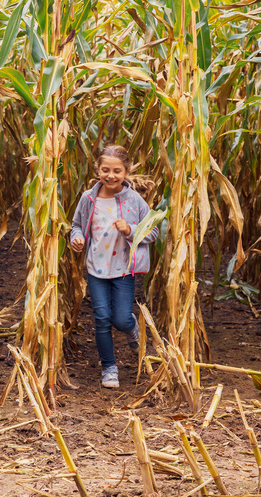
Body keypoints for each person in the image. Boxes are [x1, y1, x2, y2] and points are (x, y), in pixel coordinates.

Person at [69, 145, 159, 388]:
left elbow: (153, 231)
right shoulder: (88, 199)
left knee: (120, 319)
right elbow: (76, 225)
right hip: (96, 269)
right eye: (105, 170)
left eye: (117, 171)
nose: (110, 175)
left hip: (123, 269)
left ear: (126, 171)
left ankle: (131, 328)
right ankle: (109, 368)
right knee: (101, 318)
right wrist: (76, 239)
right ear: (97, 169)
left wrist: (131, 230)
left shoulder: (135, 200)